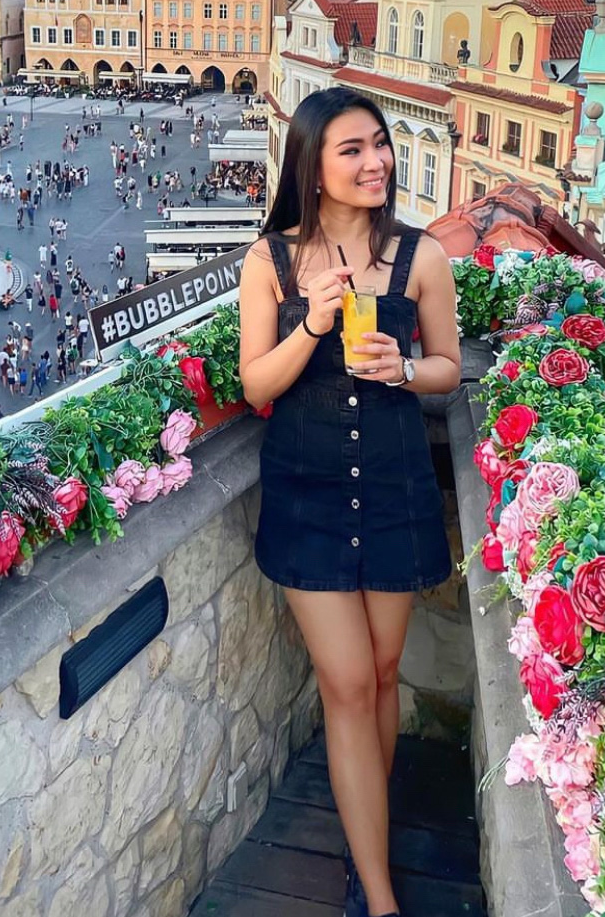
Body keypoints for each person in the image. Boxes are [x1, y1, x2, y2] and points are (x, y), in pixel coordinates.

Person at [238, 89, 459, 917]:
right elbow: (254, 381)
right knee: (346, 682)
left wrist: (403, 369)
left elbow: (448, 366)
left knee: (383, 672)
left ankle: (369, 825)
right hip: (309, 492)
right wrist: (312, 323)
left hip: (397, 485)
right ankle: (380, 894)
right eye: (352, 150)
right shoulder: (272, 261)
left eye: (380, 145)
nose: (376, 163)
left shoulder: (420, 256)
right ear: (312, 167)